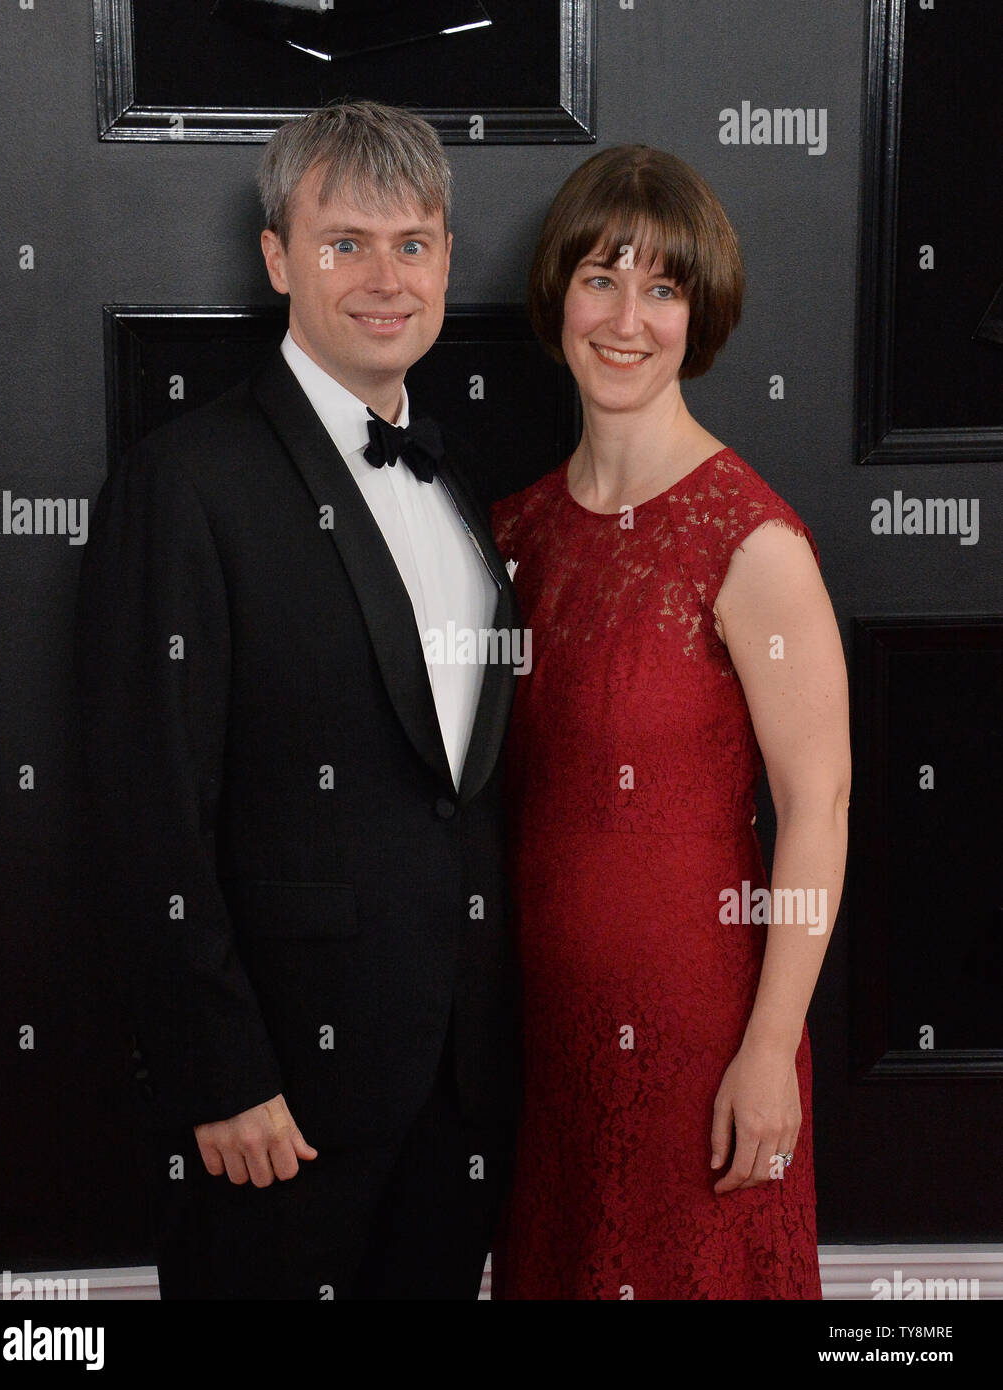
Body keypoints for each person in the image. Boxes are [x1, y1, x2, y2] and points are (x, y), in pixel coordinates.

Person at [73, 101, 521, 1300]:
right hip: (277, 1098)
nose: (386, 278)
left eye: (413, 244)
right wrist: (216, 1070)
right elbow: (144, 806)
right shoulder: (185, 483)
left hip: (459, 1092)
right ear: (278, 257)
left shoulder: (461, 485)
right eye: (345, 242)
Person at [489, 145, 850, 1300]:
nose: (627, 318)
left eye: (664, 287)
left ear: (702, 314)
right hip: (546, 1037)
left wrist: (768, 1050)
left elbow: (817, 804)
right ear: (559, 298)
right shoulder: (513, 531)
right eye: (602, 277)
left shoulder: (754, 543)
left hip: (706, 1034)